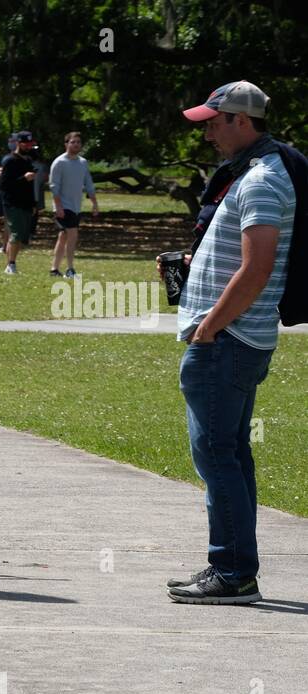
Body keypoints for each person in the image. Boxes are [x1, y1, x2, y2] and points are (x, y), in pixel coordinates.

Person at [163, 81, 295, 605]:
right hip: (234, 339)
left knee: (218, 455)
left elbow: (257, 268)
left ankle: (233, 571)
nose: (208, 133)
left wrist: (210, 325)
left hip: (228, 342)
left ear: (241, 121)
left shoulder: (261, 180)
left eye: (213, 123)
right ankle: (233, 566)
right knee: (231, 455)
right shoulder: (253, 175)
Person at [48, 131, 100, 277]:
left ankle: (54, 269)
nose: (76, 144)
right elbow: (54, 186)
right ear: (66, 144)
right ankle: (70, 269)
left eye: (78, 142)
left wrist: (94, 203)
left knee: (63, 236)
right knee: (72, 235)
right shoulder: (59, 162)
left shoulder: (82, 162)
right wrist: (58, 206)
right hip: (63, 206)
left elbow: (89, 184)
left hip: (76, 206)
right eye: (73, 142)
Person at [0, 131, 39, 274]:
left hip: (26, 203)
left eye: (30, 144)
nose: (28, 147)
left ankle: (9, 263)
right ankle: (11, 264)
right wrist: (23, 178)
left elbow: (30, 186)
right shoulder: (9, 161)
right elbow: (4, 185)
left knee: (20, 236)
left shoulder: (27, 161)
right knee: (15, 234)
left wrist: (34, 203)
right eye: (25, 144)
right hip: (12, 203)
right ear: (18, 143)